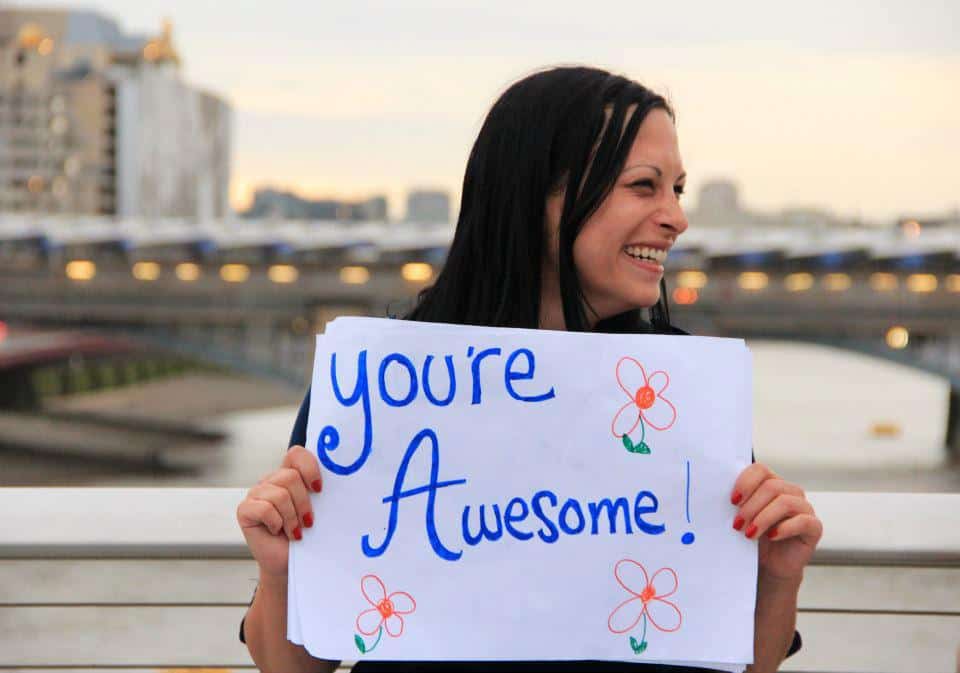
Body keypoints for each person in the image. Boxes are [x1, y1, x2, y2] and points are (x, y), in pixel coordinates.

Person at [236, 65, 823, 673]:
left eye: (676, 189)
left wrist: (778, 577)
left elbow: (747, 665)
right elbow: (292, 668)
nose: (676, 217)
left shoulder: (680, 392)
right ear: (537, 195)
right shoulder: (383, 382)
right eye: (644, 186)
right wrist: (281, 572)